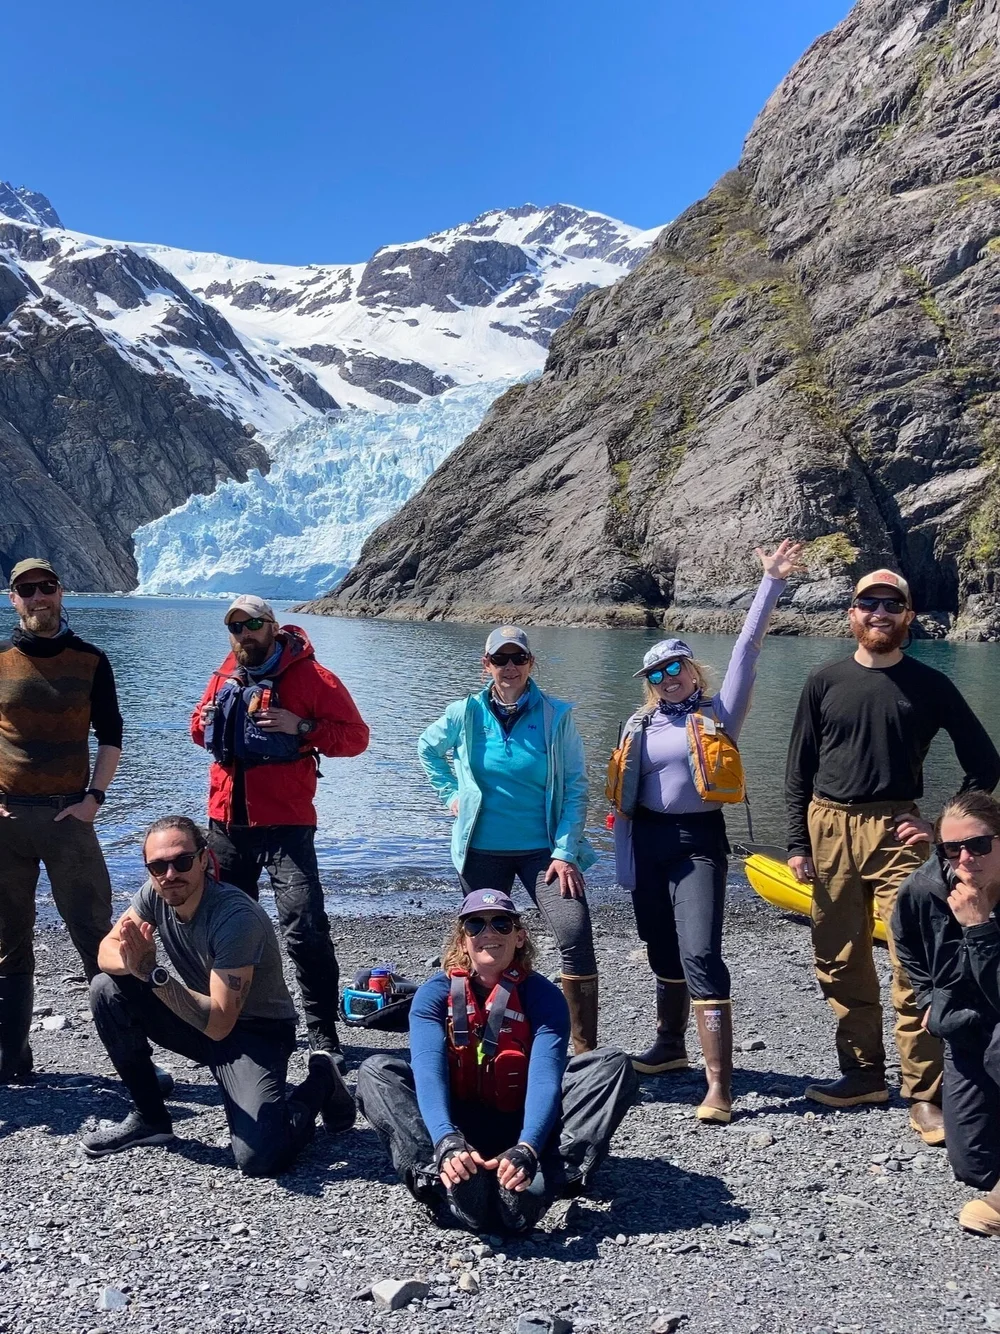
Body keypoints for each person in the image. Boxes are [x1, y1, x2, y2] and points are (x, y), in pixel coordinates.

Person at [786, 568, 1000, 1144]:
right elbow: (798, 769)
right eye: (867, 602)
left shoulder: (930, 684)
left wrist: (936, 824)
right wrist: (795, 843)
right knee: (838, 957)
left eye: (892, 603)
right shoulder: (823, 681)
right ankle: (862, 1075)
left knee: (913, 964)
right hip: (826, 824)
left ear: (908, 616)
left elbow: (985, 762)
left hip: (895, 830)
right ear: (851, 614)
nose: (878, 611)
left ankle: (924, 1093)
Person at [613, 541, 803, 1124]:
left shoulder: (719, 714)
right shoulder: (638, 723)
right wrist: (623, 863)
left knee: (700, 951)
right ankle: (670, 1047)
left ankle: (718, 1082)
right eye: (657, 673)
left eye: (676, 667)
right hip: (647, 843)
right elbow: (624, 803)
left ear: (693, 668)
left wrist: (769, 583)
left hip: (698, 843)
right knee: (660, 946)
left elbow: (748, 648)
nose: (668, 679)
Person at [83, 815, 355, 1172]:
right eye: (157, 866)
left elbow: (220, 1026)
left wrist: (151, 972)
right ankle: (150, 1118)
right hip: (200, 1014)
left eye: (181, 861)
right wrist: (135, 964)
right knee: (106, 989)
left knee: (260, 1158)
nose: (170, 874)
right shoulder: (155, 894)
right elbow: (106, 951)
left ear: (203, 859)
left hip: (256, 1033)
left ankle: (320, 1081)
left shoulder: (234, 917)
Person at [356, 890, 637, 1233]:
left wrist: (528, 1147)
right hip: (455, 1129)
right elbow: (428, 1071)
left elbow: (545, 1078)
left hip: (523, 1127)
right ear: (463, 941)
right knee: (376, 1072)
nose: (488, 932)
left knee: (611, 1065)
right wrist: (446, 1141)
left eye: (501, 923)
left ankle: (534, 1184)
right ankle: (447, 1180)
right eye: (476, 924)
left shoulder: (543, 996)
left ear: (519, 937)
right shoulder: (434, 995)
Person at [190, 596, 369, 1063]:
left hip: (287, 827)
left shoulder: (312, 677)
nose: (244, 634)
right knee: (225, 928)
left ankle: (323, 1032)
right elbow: (197, 729)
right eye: (235, 628)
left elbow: (356, 737)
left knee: (304, 928)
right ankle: (237, 1020)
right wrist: (206, 721)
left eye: (252, 624)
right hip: (226, 826)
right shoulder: (224, 673)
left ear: (272, 626)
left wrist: (302, 725)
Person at [417, 628, 599, 1052]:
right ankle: (486, 1038)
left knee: (573, 931)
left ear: (531, 663)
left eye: (518, 658)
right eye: (501, 660)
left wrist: (566, 852)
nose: (510, 667)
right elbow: (427, 747)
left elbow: (576, 787)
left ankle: (583, 1050)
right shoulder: (465, 712)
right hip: (481, 850)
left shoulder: (556, 716)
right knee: (484, 943)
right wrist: (450, 794)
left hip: (544, 852)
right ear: (487, 665)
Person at [0, 558, 123, 1083]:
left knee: (96, 936)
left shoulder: (91, 660)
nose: (37, 597)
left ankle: (129, 1060)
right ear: (13, 600)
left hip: (68, 818)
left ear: (60, 591)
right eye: (25, 590)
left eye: (45, 587)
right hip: (6, 822)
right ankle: (13, 1059)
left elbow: (112, 735)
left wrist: (94, 798)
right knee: (7, 941)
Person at [892, 791, 1000, 1235]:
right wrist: (928, 998)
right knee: (972, 1162)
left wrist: (979, 926)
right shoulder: (924, 887)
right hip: (965, 1025)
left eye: (978, 845)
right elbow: (907, 940)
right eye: (951, 848)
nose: (965, 858)